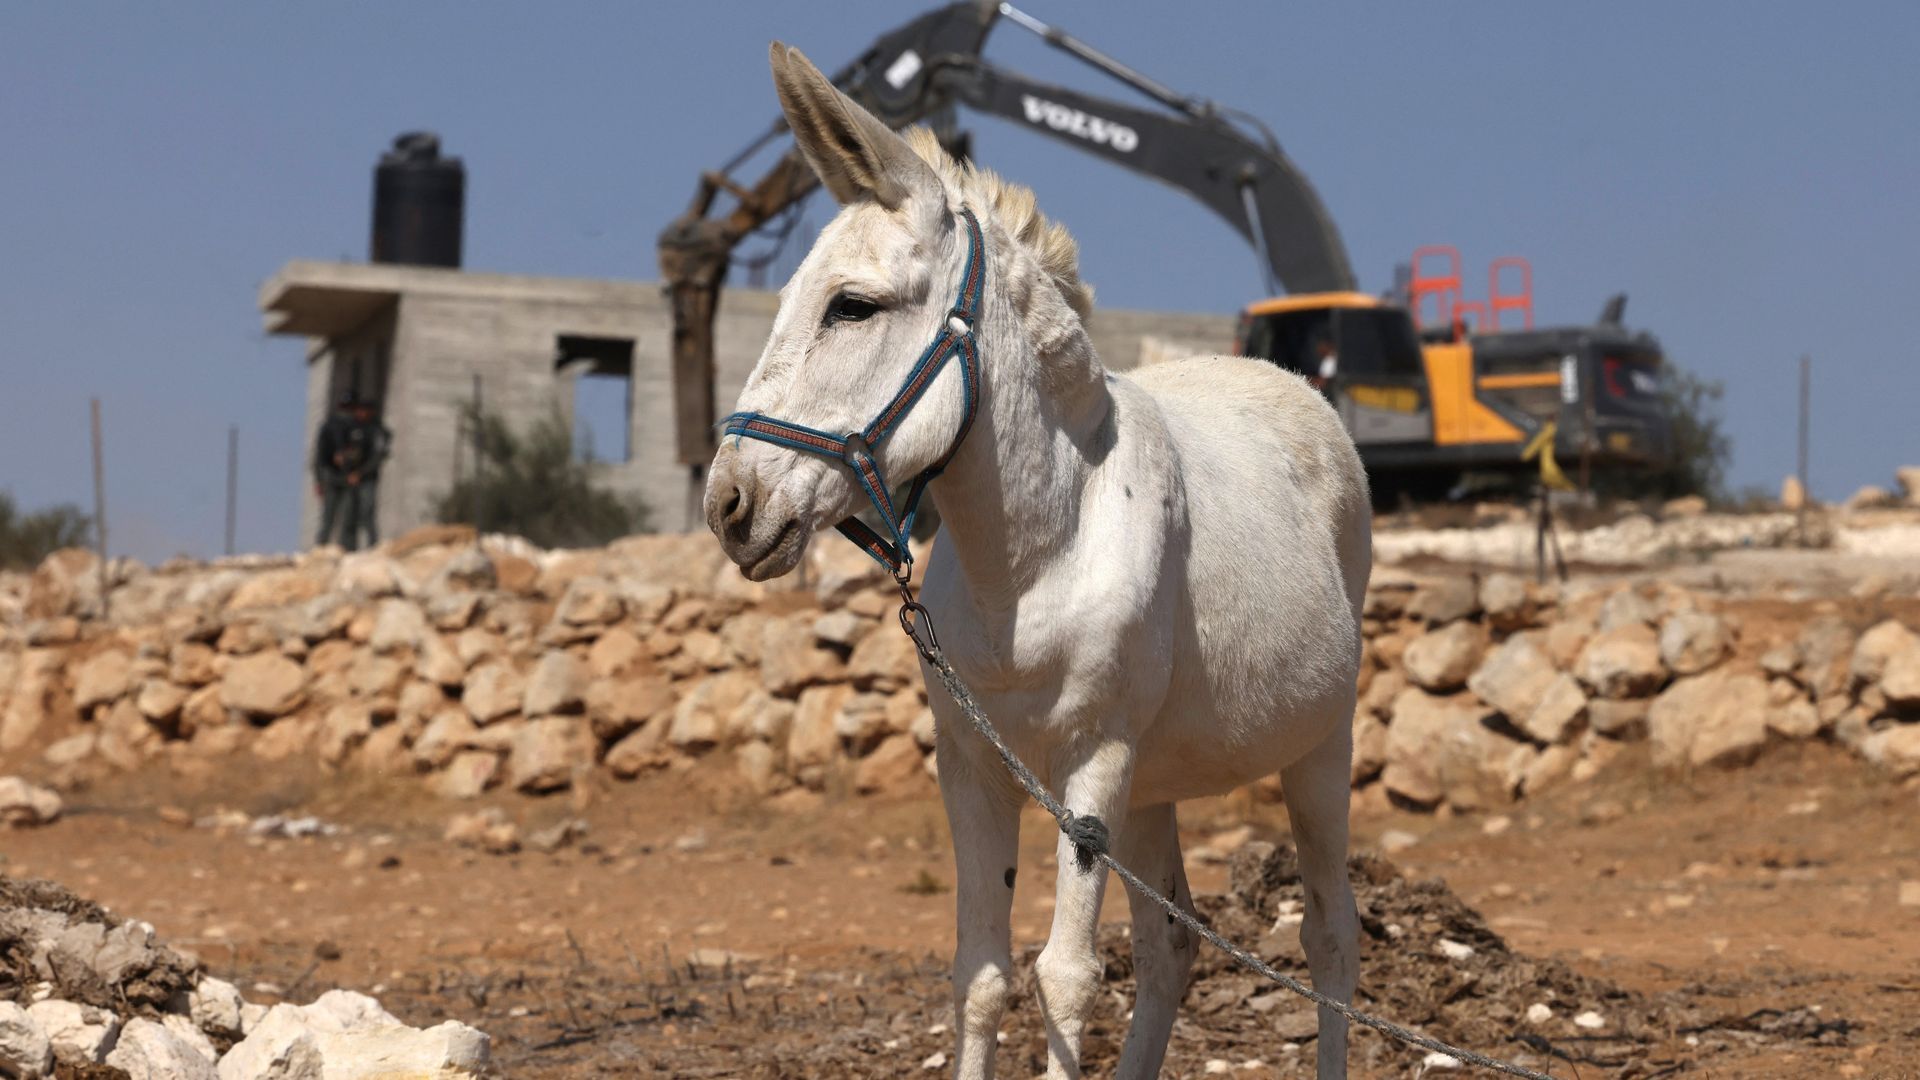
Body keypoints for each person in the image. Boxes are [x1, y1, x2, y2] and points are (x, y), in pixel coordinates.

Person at [312, 390, 391, 551]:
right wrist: (320, 479)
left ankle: (358, 548)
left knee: (356, 515)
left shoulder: (370, 429)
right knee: (330, 516)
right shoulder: (332, 426)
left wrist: (356, 471)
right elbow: (321, 456)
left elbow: (373, 454)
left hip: (356, 477)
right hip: (335, 476)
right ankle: (322, 548)